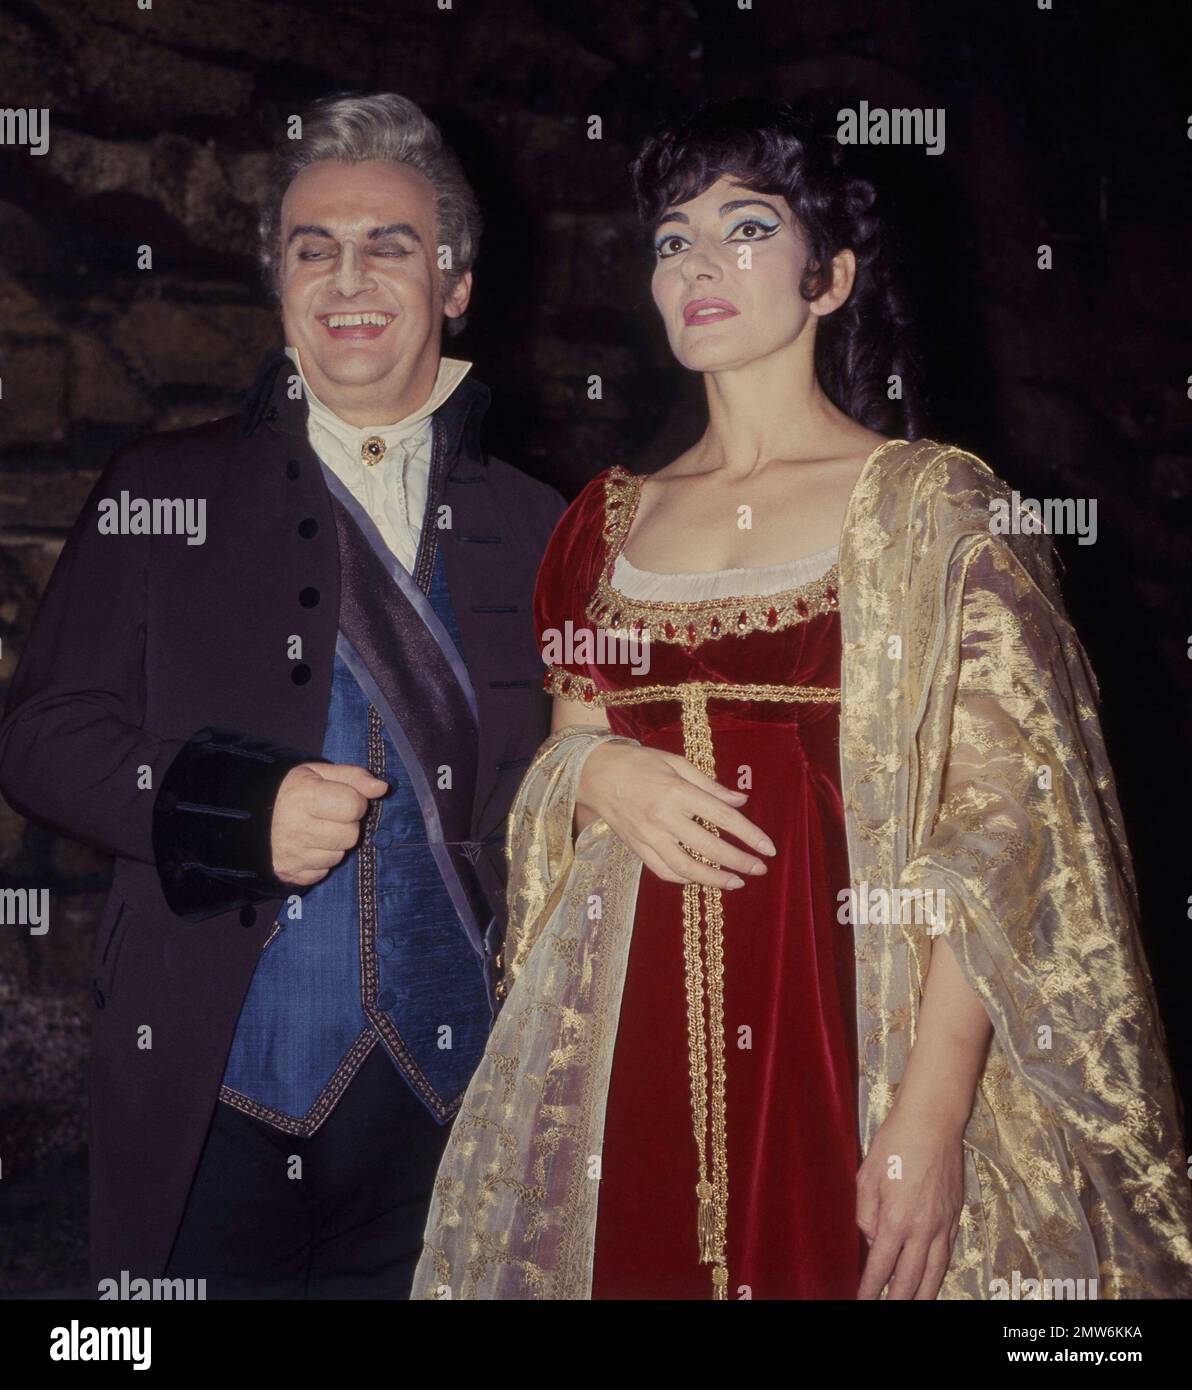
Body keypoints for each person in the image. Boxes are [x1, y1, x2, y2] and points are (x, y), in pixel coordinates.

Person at [413, 97, 1192, 1301]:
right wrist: (593, 771)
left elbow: (1007, 833)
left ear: (827, 278)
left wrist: (932, 1123)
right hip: (631, 1048)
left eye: (745, 227)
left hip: (851, 1035)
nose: (698, 265)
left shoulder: (936, 511)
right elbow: (559, 776)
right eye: (672, 240)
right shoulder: (599, 522)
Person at [0, 92, 563, 1298]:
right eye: (315, 247)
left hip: (458, 1109)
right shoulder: (160, 488)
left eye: (389, 245)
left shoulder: (543, 525)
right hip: (213, 1096)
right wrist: (227, 810)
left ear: (456, 286)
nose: (347, 275)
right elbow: (41, 737)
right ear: (281, 286)